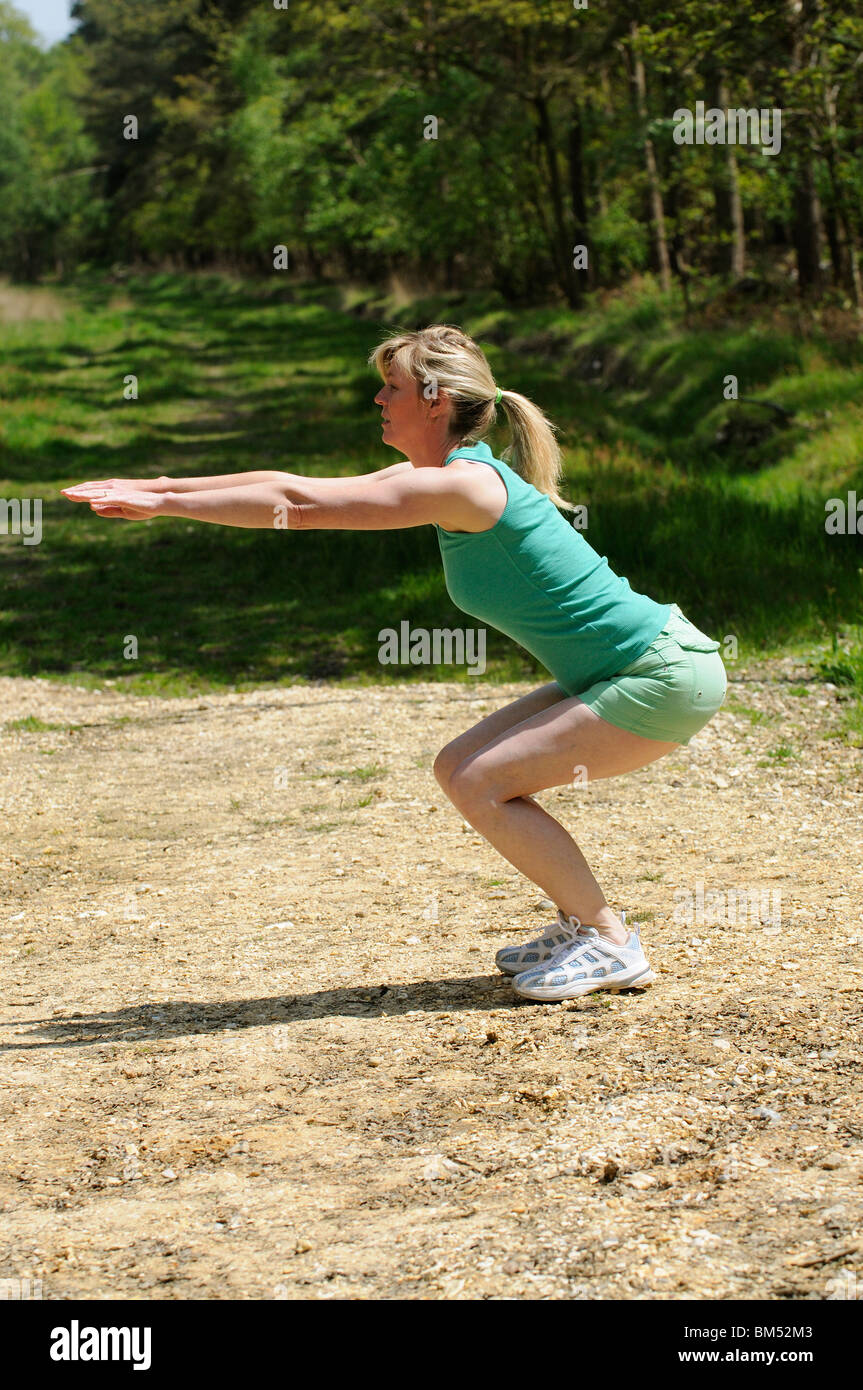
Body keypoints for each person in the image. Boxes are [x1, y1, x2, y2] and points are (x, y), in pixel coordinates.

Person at [62, 324, 727, 1003]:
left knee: (480, 781)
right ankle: (583, 924)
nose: (379, 398)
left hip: (657, 673)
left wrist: (166, 504)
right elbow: (290, 484)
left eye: (393, 386)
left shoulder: (465, 488)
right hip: (627, 668)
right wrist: (160, 487)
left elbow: (298, 508)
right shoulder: (445, 476)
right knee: (457, 768)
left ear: (434, 400)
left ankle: (610, 942)